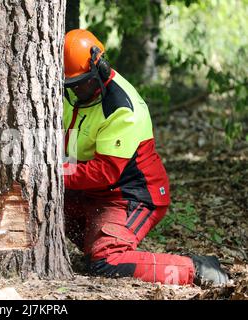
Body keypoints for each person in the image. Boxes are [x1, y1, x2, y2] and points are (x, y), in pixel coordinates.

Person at [62, 29, 228, 285]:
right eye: (71, 85)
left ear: (100, 67)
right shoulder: (71, 94)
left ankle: (197, 269)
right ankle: (97, 242)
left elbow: (104, 172)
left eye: (82, 82)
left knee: (105, 261)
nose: (77, 90)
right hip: (90, 189)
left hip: (130, 195)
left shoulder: (121, 109)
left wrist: (52, 174)